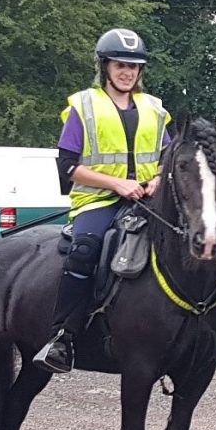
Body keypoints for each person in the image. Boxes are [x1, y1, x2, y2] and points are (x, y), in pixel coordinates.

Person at [31, 29, 169, 373]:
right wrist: (117, 184)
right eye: (120, 65)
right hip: (98, 201)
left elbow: (169, 157)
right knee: (85, 249)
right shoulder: (84, 106)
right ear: (105, 67)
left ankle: (207, 329)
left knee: (192, 239)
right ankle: (62, 337)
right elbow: (69, 167)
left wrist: (156, 180)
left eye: (134, 67)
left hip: (148, 199)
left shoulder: (154, 108)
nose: (127, 72)